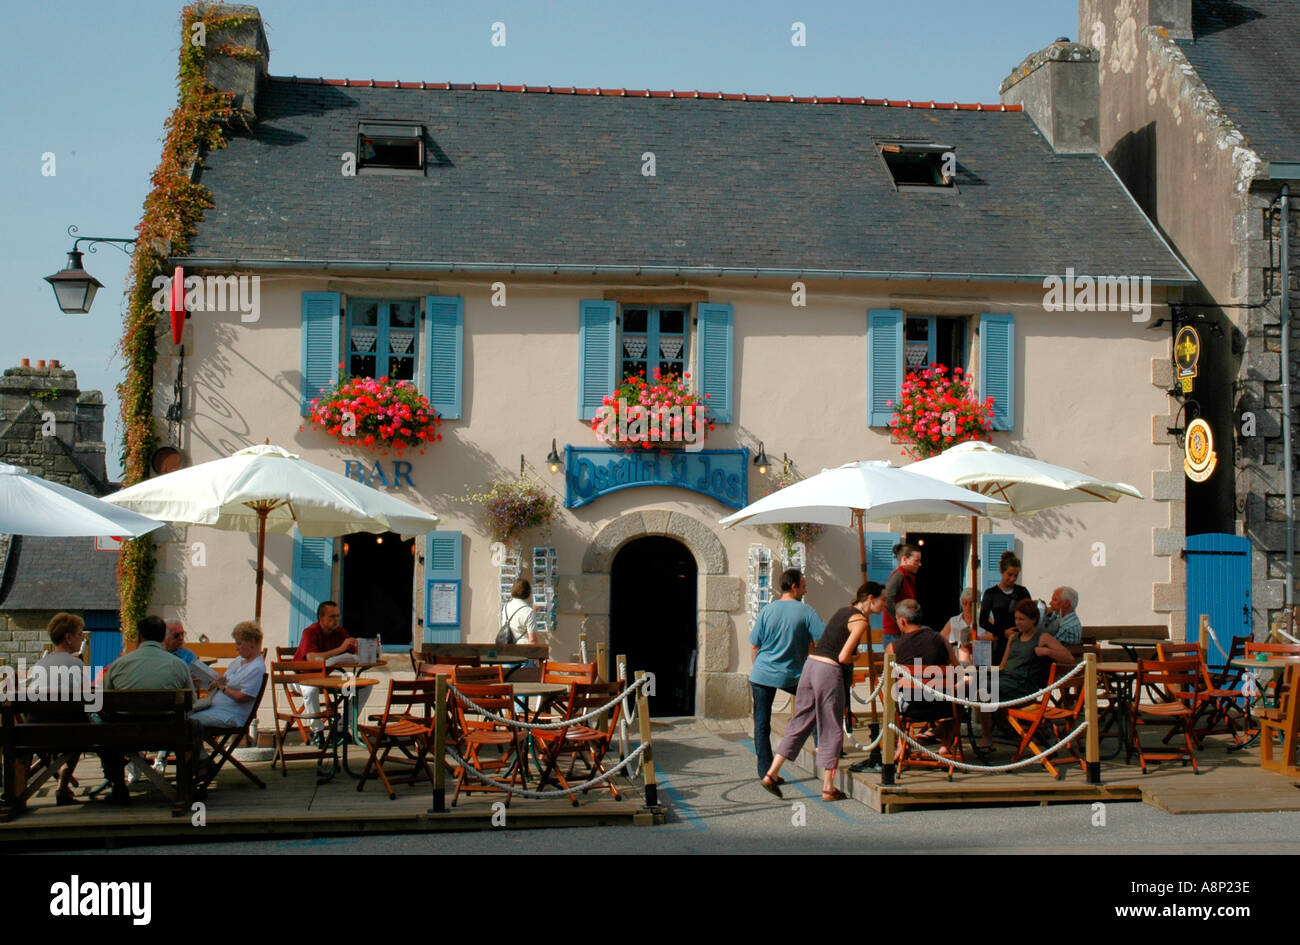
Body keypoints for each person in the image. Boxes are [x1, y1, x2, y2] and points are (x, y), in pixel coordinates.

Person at [760, 582, 884, 801]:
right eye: (883, 600)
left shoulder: (842, 611)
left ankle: (771, 773)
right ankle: (828, 787)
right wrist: (857, 658)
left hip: (810, 666)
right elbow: (844, 657)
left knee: (800, 721)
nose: (885, 605)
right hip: (828, 671)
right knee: (832, 728)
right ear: (871, 598)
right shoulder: (860, 621)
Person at [99, 615, 198, 806]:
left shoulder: (119, 664)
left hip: (124, 734)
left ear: (139, 636)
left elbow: (103, 701)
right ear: (162, 638)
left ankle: (118, 785)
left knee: (105, 731)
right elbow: (191, 703)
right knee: (196, 728)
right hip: (168, 733)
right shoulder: (178, 665)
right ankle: (186, 785)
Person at [748, 568, 826, 779]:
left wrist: (758, 668)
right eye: (803, 584)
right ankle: (822, 748)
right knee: (816, 706)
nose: (805, 588)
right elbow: (822, 640)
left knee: (761, 724)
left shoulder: (767, 610)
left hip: (762, 673)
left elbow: (755, 646)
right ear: (794, 587)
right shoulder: (806, 611)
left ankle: (766, 771)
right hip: (793, 674)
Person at [977, 598, 1075, 753]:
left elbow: (1069, 658)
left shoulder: (1042, 638)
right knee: (966, 686)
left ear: (1033, 619)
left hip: (1023, 687)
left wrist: (1047, 651)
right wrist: (980, 673)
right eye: (1016, 618)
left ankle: (987, 737)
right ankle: (951, 734)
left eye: (1022, 619)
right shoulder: (1013, 638)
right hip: (1005, 681)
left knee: (981, 691)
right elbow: (1002, 666)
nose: (1018, 623)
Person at [23, 613, 89, 806]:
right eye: (79, 635)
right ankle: (62, 788)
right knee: (83, 730)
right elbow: (86, 700)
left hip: (35, 734)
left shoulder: (39, 665)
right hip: (70, 735)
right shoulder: (76, 664)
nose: (81, 639)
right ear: (68, 638)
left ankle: (19, 791)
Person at [889, 599, 958, 758]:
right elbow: (957, 670)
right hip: (942, 706)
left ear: (902, 620)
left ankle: (902, 743)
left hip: (911, 707)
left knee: (891, 697)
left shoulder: (893, 648)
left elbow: (889, 683)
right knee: (960, 702)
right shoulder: (941, 640)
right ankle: (946, 745)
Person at [293, 601, 368, 744]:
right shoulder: (310, 632)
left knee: (361, 686)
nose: (336, 620)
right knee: (310, 690)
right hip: (302, 677)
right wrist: (340, 650)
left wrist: (363, 648)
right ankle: (317, 731)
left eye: (337, 617)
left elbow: (352, 651)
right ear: (321, 618)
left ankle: (342, 725)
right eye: (332, 617)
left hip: (325, 677)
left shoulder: (340, 632)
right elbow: (311, 658)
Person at [192, 622, 265, 730]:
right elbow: (224, 681)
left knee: (188, 721)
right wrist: (212, 681)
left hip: (229, 715)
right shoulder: (239, 660)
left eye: (239, 644)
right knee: (181, 716)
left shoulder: (256, 668)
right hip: (213, 709)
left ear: (252, 642)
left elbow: (244, 696)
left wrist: (223, 688)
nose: (236, 648)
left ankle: (196, 747)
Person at [978, 550, 1031, 665]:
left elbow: (1031, 615)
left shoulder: (1022, 592)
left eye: (1015, 576)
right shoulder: (991, 593)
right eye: (1009, 575)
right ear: (1002, 571)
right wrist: (1002, 632)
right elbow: (983, 621)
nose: (1012, 579)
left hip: (1021, 640)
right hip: (1001, 642)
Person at [882, 543, 922, 649]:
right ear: (905, 559)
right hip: (895, 632)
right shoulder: (899, 576)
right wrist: (899, 621)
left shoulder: (908, 577)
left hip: (904, 630)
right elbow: (888, 600)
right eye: (916, 561)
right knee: (896, 664)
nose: (919, 564)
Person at [941, 588, 978, 665]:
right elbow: (940, 639)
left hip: (979, 658)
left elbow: (994, 636)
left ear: (977, 605)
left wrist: (978, 638)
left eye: (971, 604)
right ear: (961, 603)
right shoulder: (953, 621)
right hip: (958, 661)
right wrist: (953, 643)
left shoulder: (984, 620)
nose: (967, 607)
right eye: (965, 603)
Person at [501, 579, 539, 644]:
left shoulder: (505, 607)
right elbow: (532, 640)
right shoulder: (529, 612)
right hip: (523, 648)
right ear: (528, 592)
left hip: (506, 646)